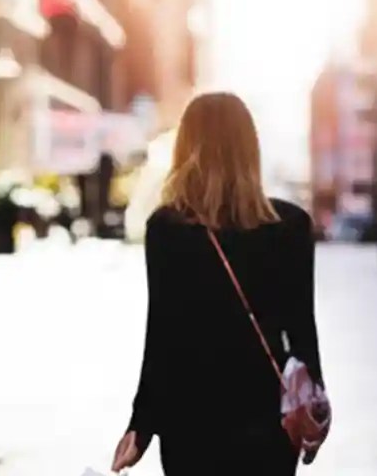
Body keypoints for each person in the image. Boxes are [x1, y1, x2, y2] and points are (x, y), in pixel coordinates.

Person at [112, 93, 325, 475]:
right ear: (250, 148)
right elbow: (301, 326)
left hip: (190, 421)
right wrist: (313, 401)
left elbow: (162, 335)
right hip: (268, 420)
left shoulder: (167, 229)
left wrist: (140, 425)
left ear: (187, 148)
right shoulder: (291, 225)